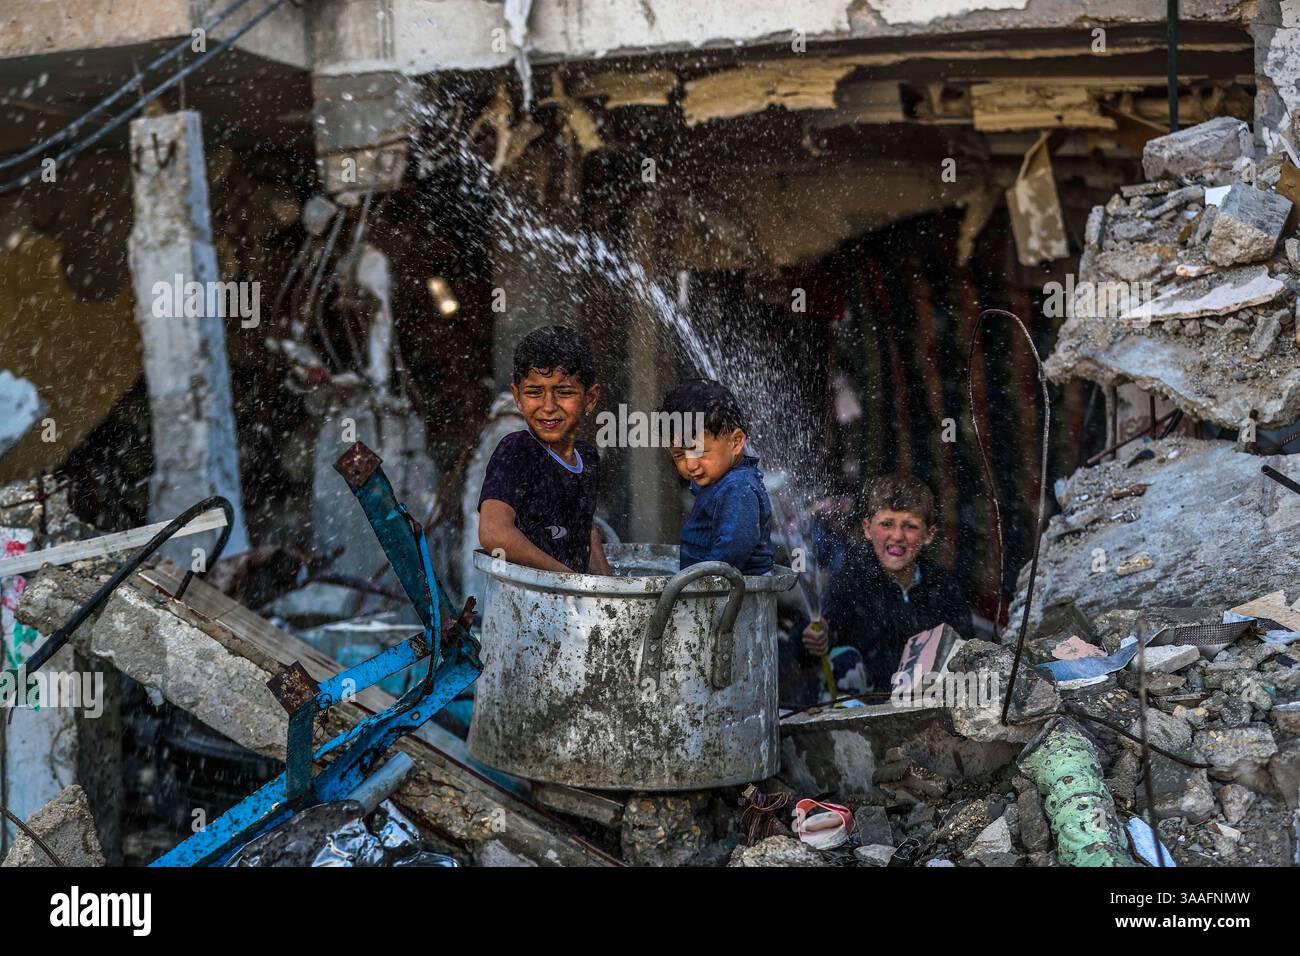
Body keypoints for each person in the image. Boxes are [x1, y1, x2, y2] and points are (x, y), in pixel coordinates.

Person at [796, 474, 973, 696]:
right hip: (861, 712)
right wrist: (813, 639)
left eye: (909, 526)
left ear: (929, 534)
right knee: (843, 658)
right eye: (887, 524)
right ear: (868, 529)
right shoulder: (850, 581)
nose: (897, 536)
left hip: (925, 708)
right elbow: (809, 646)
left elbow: (966, 653)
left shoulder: (944, 588)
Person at [478, 325, 611, 575]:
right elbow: (493, 533)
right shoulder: (517, 450)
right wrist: (566, 579)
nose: (548, 406)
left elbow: (585, 528)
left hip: (570, 606)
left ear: (590, 398)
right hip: (526, 603)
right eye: (534, 392)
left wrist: (609, 589)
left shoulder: (588, 457)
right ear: (517, 397)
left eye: (564, 392)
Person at [659, 379, 773, 576]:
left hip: (734, 598)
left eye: (699, 451)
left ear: (735, 442)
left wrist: (704, 583)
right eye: (679, 455)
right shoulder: (720, 481)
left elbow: (735, 546)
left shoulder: (738, 488)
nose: (691, 465)